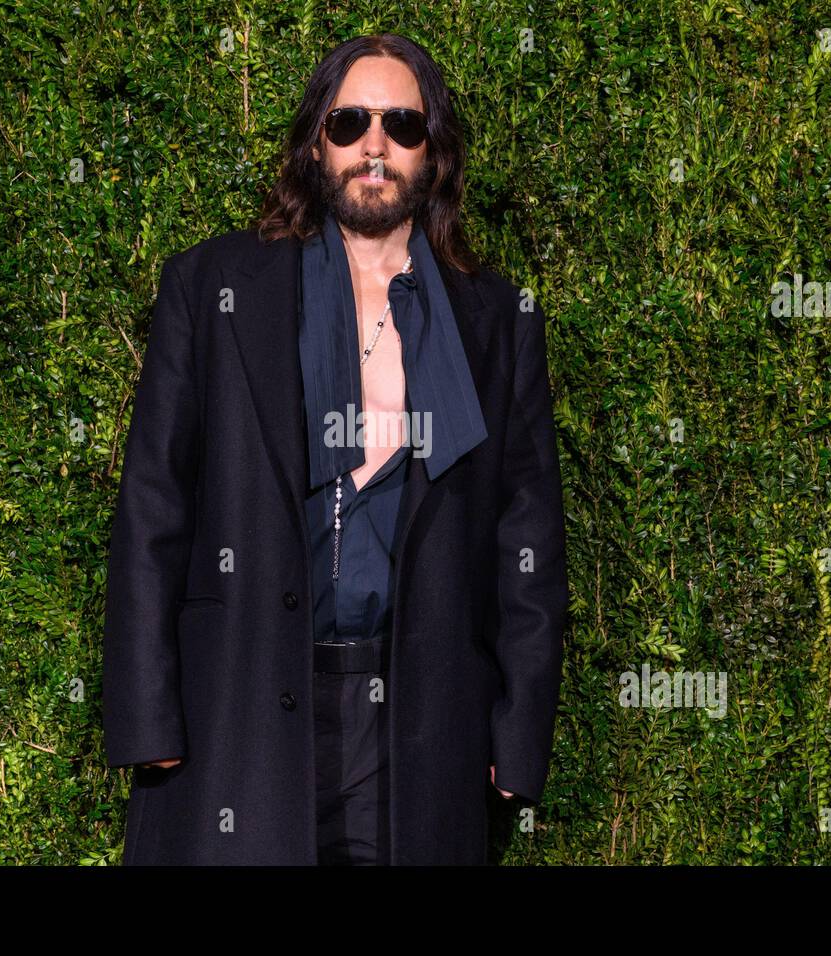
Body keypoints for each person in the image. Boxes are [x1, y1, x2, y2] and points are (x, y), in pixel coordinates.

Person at [102, 32, 567, 865]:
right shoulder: (211, 287)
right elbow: (152, 509)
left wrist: (519, 731)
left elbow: (526, 536)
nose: (375, 145)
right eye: (350, 122)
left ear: (435, 152)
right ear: (318, 139)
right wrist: (145, 713)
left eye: (402, 125)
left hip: (423, 730)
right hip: (238, 711)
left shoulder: (496, 320)